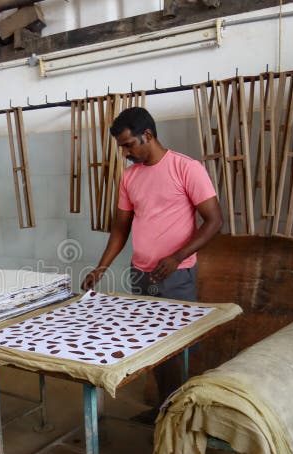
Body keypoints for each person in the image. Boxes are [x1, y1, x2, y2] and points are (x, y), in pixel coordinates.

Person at [81, 107, 222, 422]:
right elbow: (121, 229)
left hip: (176, 275)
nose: (126, 153)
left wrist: (177, 257)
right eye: (122, 147)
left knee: (174, 349)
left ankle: (177, 418)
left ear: (148, 135)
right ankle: (163, 410)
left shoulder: (187, 168)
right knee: (151, 345)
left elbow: (214, 221)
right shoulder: (130, 178)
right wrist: (100, 268)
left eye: (129, 145)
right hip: (141, 275)